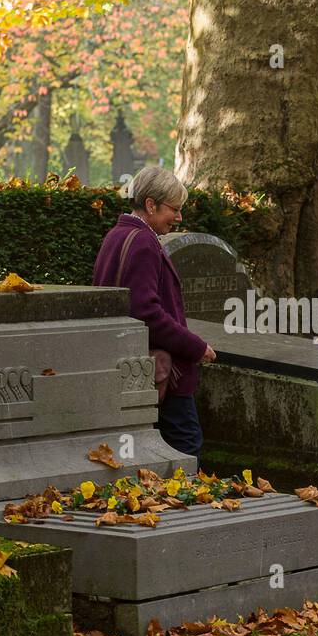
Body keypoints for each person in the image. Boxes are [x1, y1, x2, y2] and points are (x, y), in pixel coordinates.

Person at [93, 165, 216, 457]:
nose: (179, 217)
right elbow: (145, 312)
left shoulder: (116, 235)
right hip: (162, 372)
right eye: (174, 209)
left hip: (128, 366)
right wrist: (196, 347)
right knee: (186, 446)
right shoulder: (144, 242)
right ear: (150, 204)